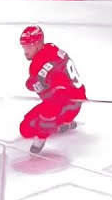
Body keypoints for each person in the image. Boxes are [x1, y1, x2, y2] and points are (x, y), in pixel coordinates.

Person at [18, 25, 87, 154]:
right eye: (24, 46)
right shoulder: (52, 48)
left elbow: (53, 100)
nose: (25, 50)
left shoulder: (37, 65)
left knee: (26, 129)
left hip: (67, 105)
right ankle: (64, 124)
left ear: (38, 44)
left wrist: (41, 137)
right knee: (28, 120)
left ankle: (59, 125)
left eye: (29, 46)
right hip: (76, 99)